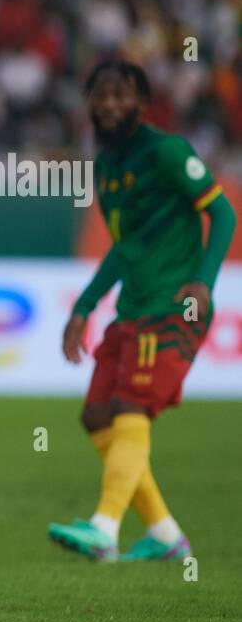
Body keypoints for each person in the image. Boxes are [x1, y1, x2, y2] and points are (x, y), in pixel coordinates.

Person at [49, 60, 235, 562]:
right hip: (132, 310)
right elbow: (125, 247)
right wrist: (84, 307)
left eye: (121, 95)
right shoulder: (106, 167)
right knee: (97, 415)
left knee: (132, 408)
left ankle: (105, 528)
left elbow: (222, 213)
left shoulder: (167, 152)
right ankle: (164, 533)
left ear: (141, 102)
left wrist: (205, 281)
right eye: (100, 95)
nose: (109, 104)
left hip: (173, 308)